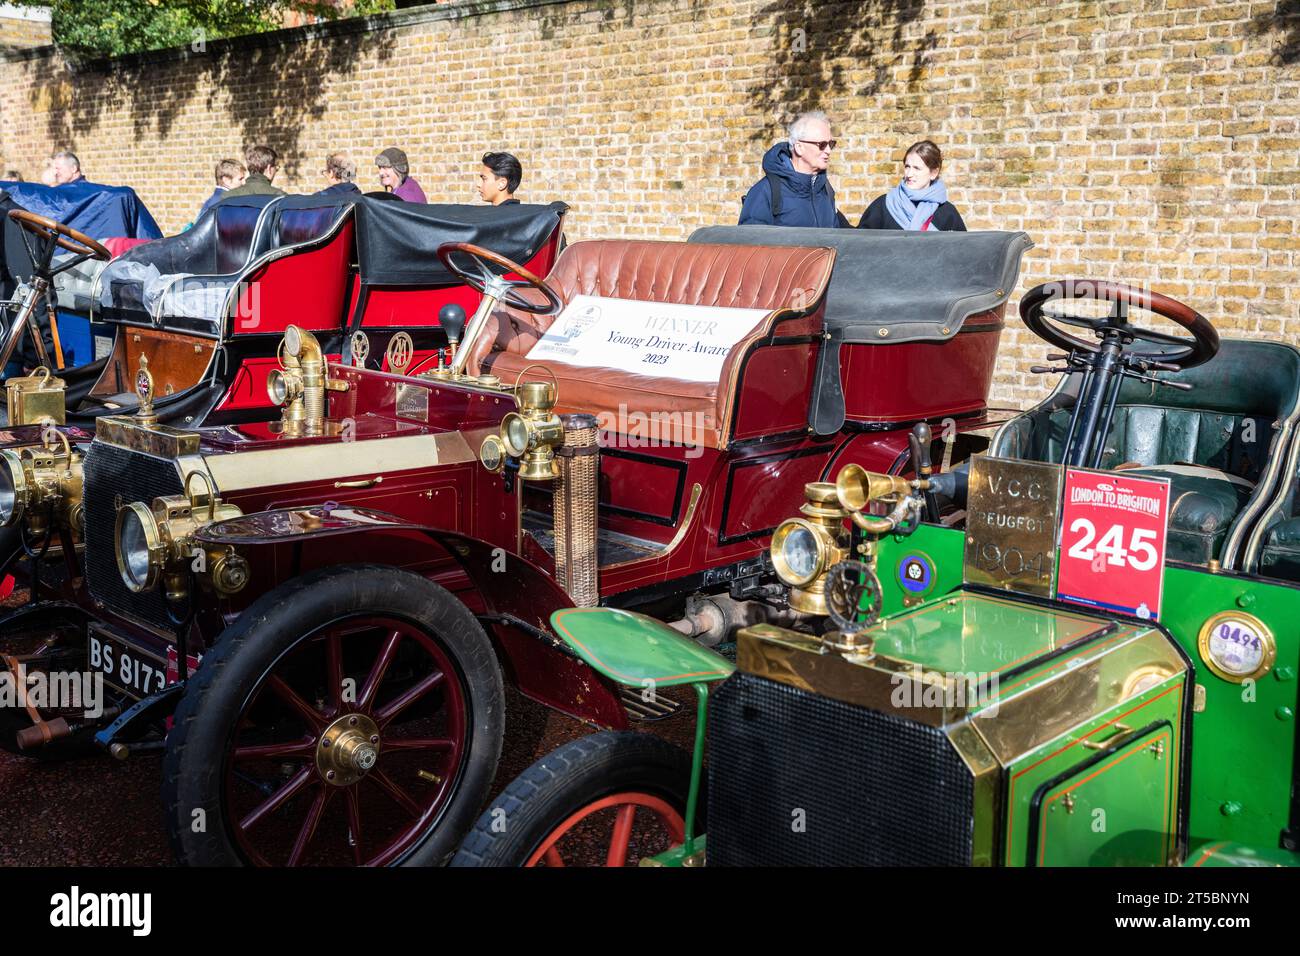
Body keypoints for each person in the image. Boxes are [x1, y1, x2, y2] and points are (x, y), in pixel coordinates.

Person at [739, 112, 848, 228]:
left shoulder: (825, 189)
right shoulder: (765, 191)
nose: (828, 151)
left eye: (831, 144)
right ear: (799, 148)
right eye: (822, 145)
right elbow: (751, 241)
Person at [858, 140, 966, 231]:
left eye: (916, 168)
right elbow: (859, 242)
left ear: (934, 173)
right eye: (907, 167)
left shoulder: (947, 213)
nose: (909, 174)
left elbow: (961, 251)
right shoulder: (883, 205)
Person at [219, 145, 286, 200]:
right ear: (269, 168)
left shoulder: (228, 197)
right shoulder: (280, 197)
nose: (276, 172)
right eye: (276, 168)